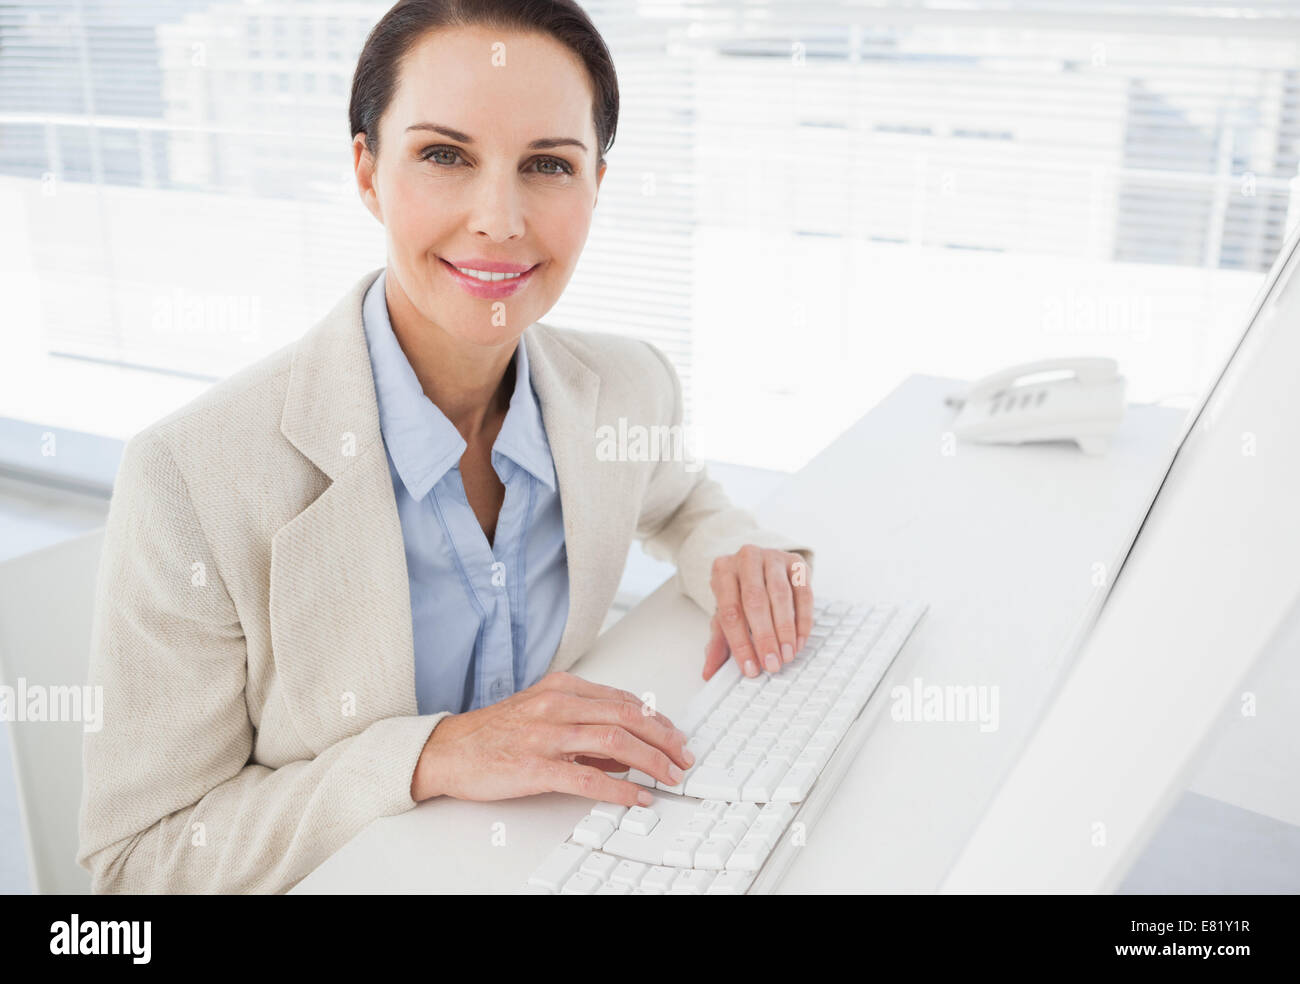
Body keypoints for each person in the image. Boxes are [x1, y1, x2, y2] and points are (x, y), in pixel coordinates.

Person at [77, 0, 815, 894]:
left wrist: (731, 549)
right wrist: (430, 756)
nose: (499, 218)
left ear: (595, 188)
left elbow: (682, 501)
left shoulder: (627, 386)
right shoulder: (192, 478)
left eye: (548, 164)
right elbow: (138, 862)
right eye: (444, 155)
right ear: (366, 171)